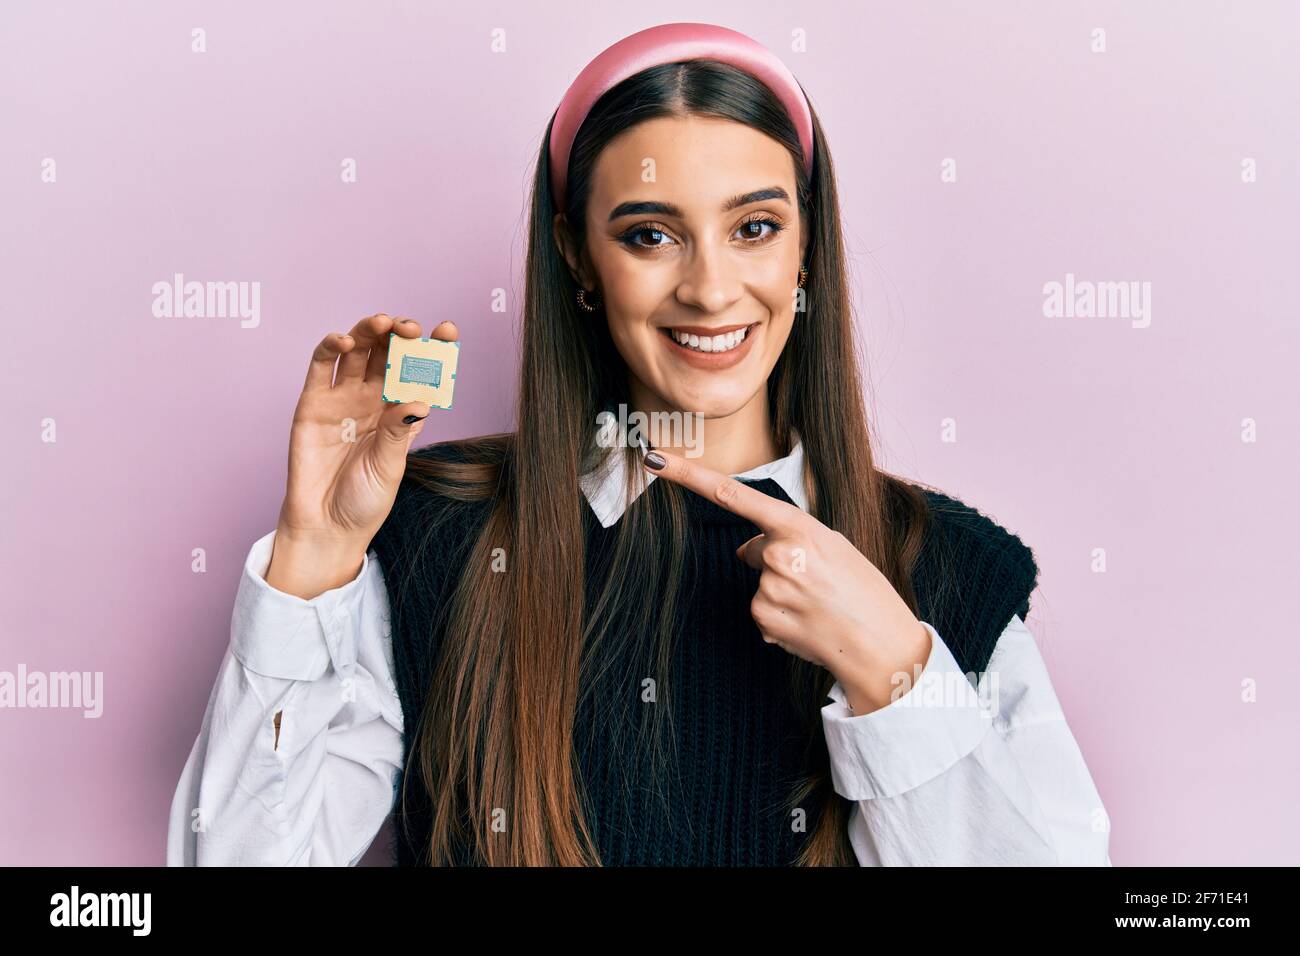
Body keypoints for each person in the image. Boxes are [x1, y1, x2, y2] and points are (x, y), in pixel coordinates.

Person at [167, 22, 1110, 866]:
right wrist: (310, 561)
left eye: (754, 228)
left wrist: (897, 679)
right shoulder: (437, 539)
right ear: (577, 253)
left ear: (806, 244)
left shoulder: (945, 563)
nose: (710, 289)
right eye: (653, 234)